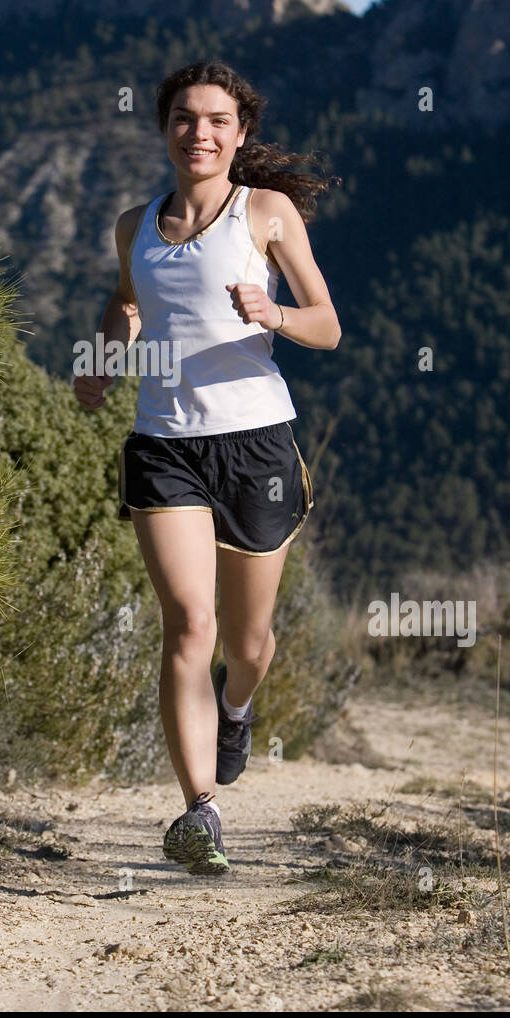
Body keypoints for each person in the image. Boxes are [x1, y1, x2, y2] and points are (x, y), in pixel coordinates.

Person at [73, 60, 341, 875]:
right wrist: (102, 362)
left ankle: (237, 705)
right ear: (165, 130)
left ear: (240, 133)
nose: (200, 133)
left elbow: (327, 326)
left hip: (257, 444)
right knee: (190, 623)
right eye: (186, 118)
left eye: (218, 120)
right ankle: (201, 812)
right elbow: (127, 302)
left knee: (248, 641)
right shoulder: (135, 225)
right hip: (164, 447)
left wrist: (276, 313)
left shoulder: (267, 212)